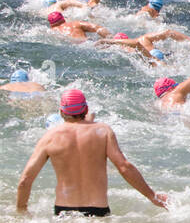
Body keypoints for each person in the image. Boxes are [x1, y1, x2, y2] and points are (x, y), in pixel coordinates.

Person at [16, 89, 168, 215]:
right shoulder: (103, 131)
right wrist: (152, 196)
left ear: (61, 112)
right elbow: (124, 167)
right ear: (86, 109)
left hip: (64, 211)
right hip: (98, 209)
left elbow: (25, 180)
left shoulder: (50, 137)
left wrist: (21, 209)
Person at [45, 10, 110, 43]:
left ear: (51, 24)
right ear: (63, 19)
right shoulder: (76, 24)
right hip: (87, 43)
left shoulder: (51, 31)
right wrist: (110, 37)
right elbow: (97, 28)